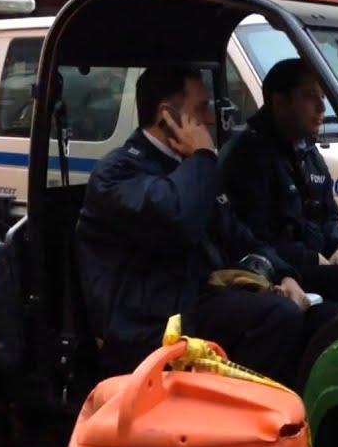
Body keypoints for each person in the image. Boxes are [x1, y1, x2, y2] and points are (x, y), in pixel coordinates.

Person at [73, 65, 316, 386]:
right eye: (201, 109)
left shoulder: (190, 167)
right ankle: (237, 410)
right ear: (167, 116)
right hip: (150, 318)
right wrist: (202, 155)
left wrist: (284, 274)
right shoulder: (118, 172)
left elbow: (237, 235)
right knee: (276, 316)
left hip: (194, 296)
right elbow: (178, 221)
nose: (210, 119)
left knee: (323, 316)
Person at [220, 57, 338, 306]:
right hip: (280, 271)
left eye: (322, 97)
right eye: (310, 97)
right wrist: (311, 258)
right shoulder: (248, 156)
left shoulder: (306, 149)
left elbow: (328, 216)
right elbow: (252, 237)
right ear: (280, 102)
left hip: (315, 260)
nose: (321, 107)